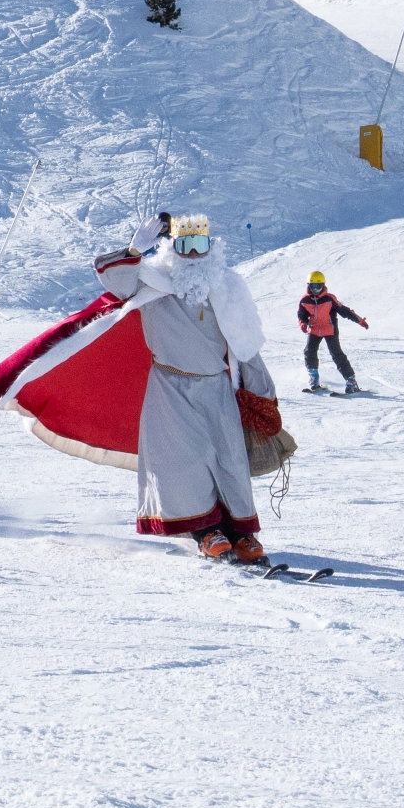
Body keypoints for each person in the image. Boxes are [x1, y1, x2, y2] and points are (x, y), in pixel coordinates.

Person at [128, 214, 278, 564]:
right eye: (185, 246)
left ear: (211, 247)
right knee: (186, 461)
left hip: (217, 387)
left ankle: (242, 535)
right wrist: (134, 250)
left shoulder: (229, 287)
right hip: (170, 387)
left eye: (200, 246)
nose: (193, 255)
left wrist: (262, 390)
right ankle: (205, 532)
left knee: (229, 460)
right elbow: (114, 279)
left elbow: (245, 343)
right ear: (173, 247)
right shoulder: (151, 280)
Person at [295, 272, 368, 394]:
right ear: (309, 285)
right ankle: (314, 379)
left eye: (318, 286)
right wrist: (303, 323)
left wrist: (359, 320)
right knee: (309, 351)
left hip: (330, 329)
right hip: (314, 329)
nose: (316, 289)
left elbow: (345, 311)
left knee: (336, 353)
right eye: (313, 286)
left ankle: (351, 381)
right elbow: (302, 315)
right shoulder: (304, 300)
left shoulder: (329, 298)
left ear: (323, 285)